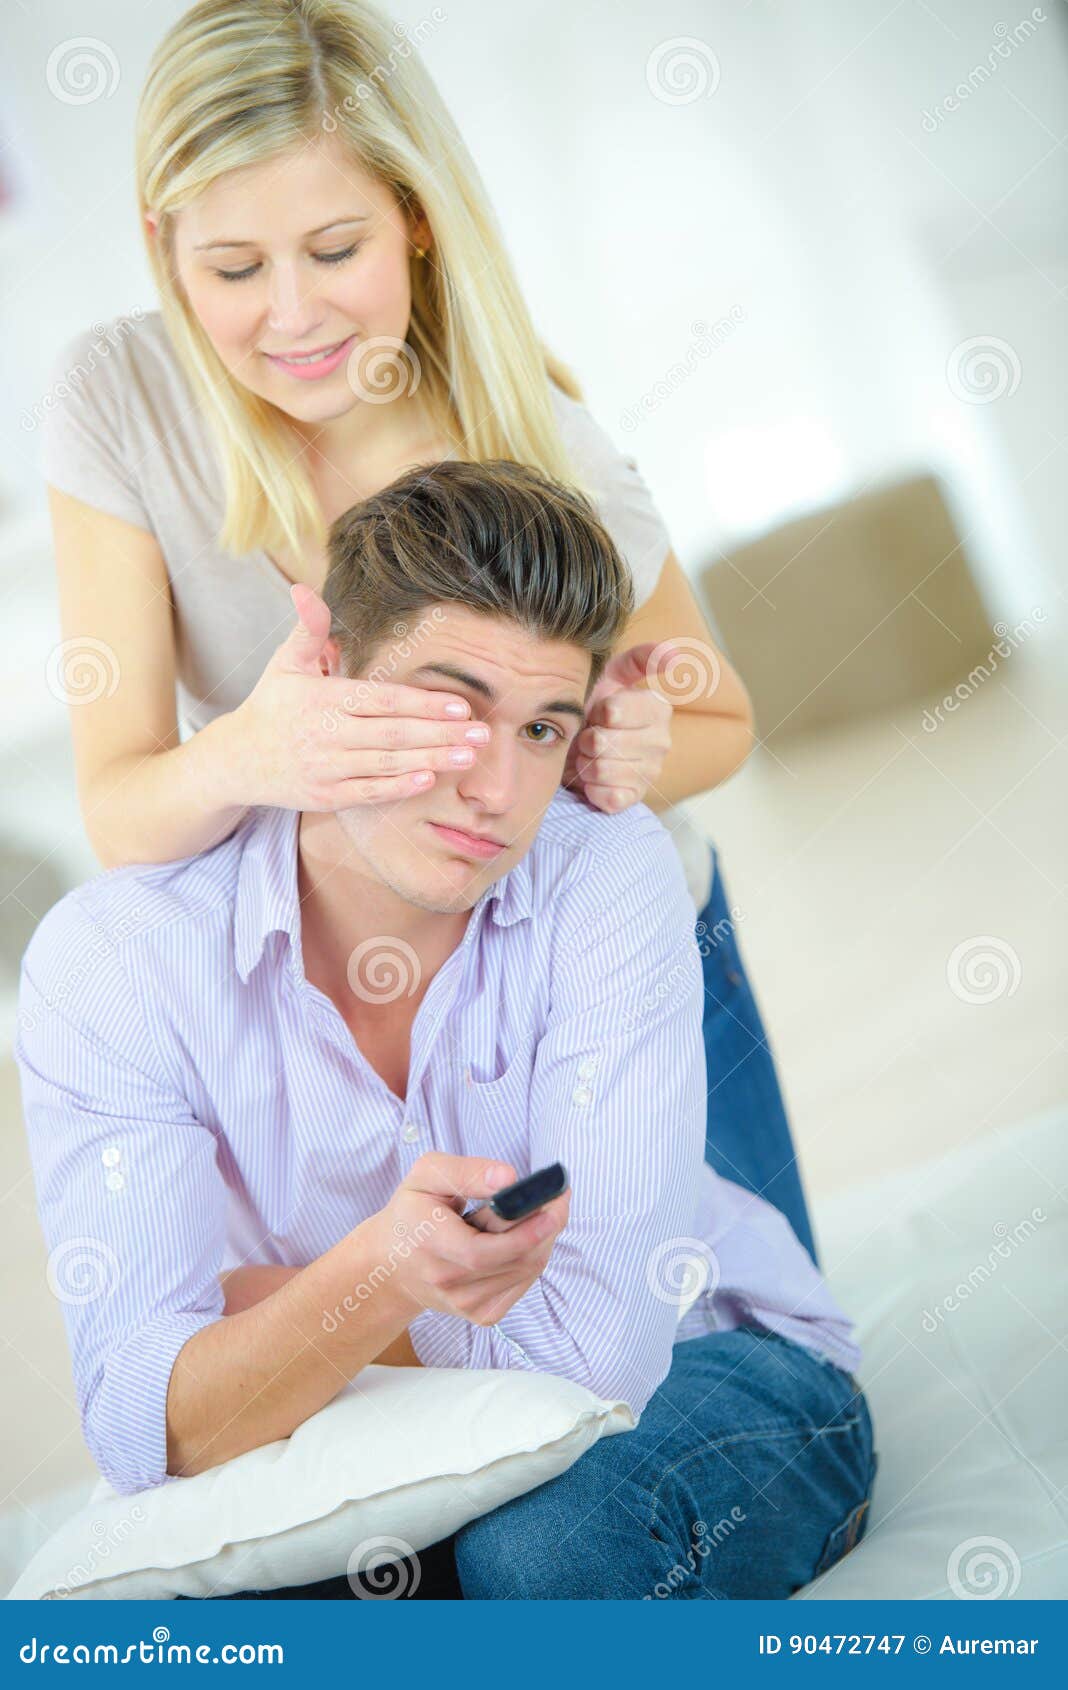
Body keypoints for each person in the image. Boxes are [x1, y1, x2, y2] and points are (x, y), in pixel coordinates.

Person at [39, 0, 817, 1265]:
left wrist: (606, 757)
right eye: (233, 268)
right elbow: (123, 811)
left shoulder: (544, 447)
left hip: (605, 965)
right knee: (439, 1383)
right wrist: (257, 755)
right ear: (163, 244)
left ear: (413, 215)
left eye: (334, 249)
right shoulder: (120, 403)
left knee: (754, 1354)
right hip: (352, 1006)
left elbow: (716, 714)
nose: (291, 316)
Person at [17, 459, 874, 1600]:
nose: (500, 792)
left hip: (719, 1363)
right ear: (326, 674)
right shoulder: (115, 958)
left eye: (542, 727)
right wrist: (383, 1267)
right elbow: (143, 1426)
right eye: (452, 704)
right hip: (385, 1430)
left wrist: (282, 1308)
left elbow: (598, 1357)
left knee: (547, 1555)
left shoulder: (606, 875)